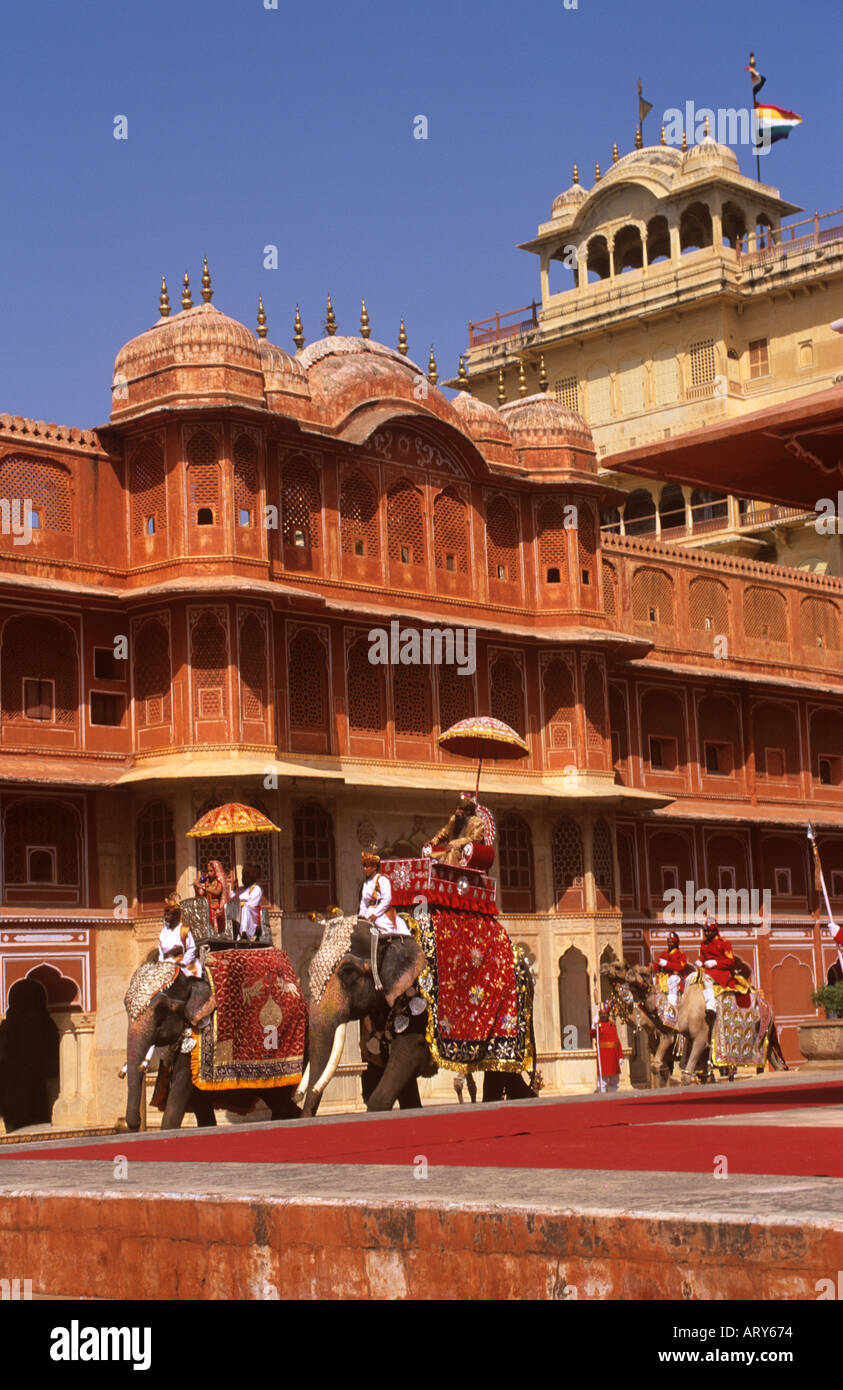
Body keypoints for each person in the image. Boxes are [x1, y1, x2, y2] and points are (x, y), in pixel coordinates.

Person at [696, 919, 750, 1015]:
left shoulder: (724, 943)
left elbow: (730, 961)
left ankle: (710, 1006)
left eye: (709, 931)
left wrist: (716, 963)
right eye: (705, 931)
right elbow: (702, 958)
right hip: (707, 970)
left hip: (722, 972)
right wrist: (699, 962)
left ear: (715, 930)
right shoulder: (703, 945)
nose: (707, 933)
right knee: (692, 979)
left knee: (706, 978)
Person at [359, 852, 411, 939]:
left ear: (374, 867)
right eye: (364, 866)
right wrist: (361, 916)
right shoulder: (366, 884)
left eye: (367, 866)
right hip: (368, 913)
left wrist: (375, 914)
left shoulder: (383, 880)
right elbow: (364, 902)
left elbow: (386, 900)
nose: (364, 869)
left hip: (381, 913)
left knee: (385, 928)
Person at [423, 795, 485, 867]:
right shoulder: (454, 819)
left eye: (460, 809)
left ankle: (450, 874)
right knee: (430, 856)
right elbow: (444, 832)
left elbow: (475, 839)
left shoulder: (477, 822)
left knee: (451, 852)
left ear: (468, 811)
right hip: (450, 851)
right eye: (456, 809)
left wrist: (456, 843)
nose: (457, 812)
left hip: (466, 854)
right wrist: (433, 841)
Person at [158, 894, 201, 977]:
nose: (166, 917)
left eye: (168, 914)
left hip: (181, 961)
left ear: (175, 916)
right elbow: (161, 951)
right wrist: (161, 962)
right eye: (165, 914)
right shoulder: (163, 931)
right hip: (166, 963)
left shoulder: (184, 930)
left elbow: (191, 948)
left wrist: (183, 962)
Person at [590, 1001, 623, 1093]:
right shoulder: (598, 1025)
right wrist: (593, 1025)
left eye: (605, 1013)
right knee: (602, 1081)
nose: (603, 1015)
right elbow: (592, 1035)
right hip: (603, 1056)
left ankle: (613, 1096)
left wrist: (620, 1055)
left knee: (614, 1080)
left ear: (608, 1013)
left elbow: (617, 1041)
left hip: (613, 1057)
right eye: (601, 1013)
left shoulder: (612, 1025)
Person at [193, 859, 232, 934]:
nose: (208, 873)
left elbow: (217, 892)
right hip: (208, 908)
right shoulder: (207, 882)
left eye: (211, 871)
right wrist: (196, 888)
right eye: (208, 871)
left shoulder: (220, 882)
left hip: (218, 908)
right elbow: (201, 895)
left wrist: (202, 887)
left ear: (216, 871)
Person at [656, 931, 689, 1009]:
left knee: (672, 980)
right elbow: (657, 964)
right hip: (665, 976)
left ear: (676, 943)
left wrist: (667, 964)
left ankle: (671, 1006)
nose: (669, 943)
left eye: (671, 942)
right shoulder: (664, 953)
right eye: (668, 942)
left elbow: (681, 967)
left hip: (677, 976)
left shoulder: (680, 953)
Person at [238, 865, 263, 941]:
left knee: (245, 908)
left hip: (252, 916)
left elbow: (252, 905)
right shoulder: (239, 889)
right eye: (243, 876)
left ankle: (244, 933)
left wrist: (241, 903)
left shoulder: (256, 889)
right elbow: (233, 900)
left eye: (247, 877)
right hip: (238, 913)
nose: (244, 879)